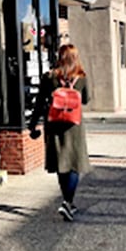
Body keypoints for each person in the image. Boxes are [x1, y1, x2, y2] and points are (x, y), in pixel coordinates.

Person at [28, 43, 90, 222]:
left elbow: (39, 103)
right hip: (74, 126)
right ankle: (68, 202)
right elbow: (86, 99)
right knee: (74, 164)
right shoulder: (81, 77)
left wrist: (33, 125)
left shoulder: (49, 77)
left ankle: (67, 201)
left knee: (61, 164)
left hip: (54, 126)